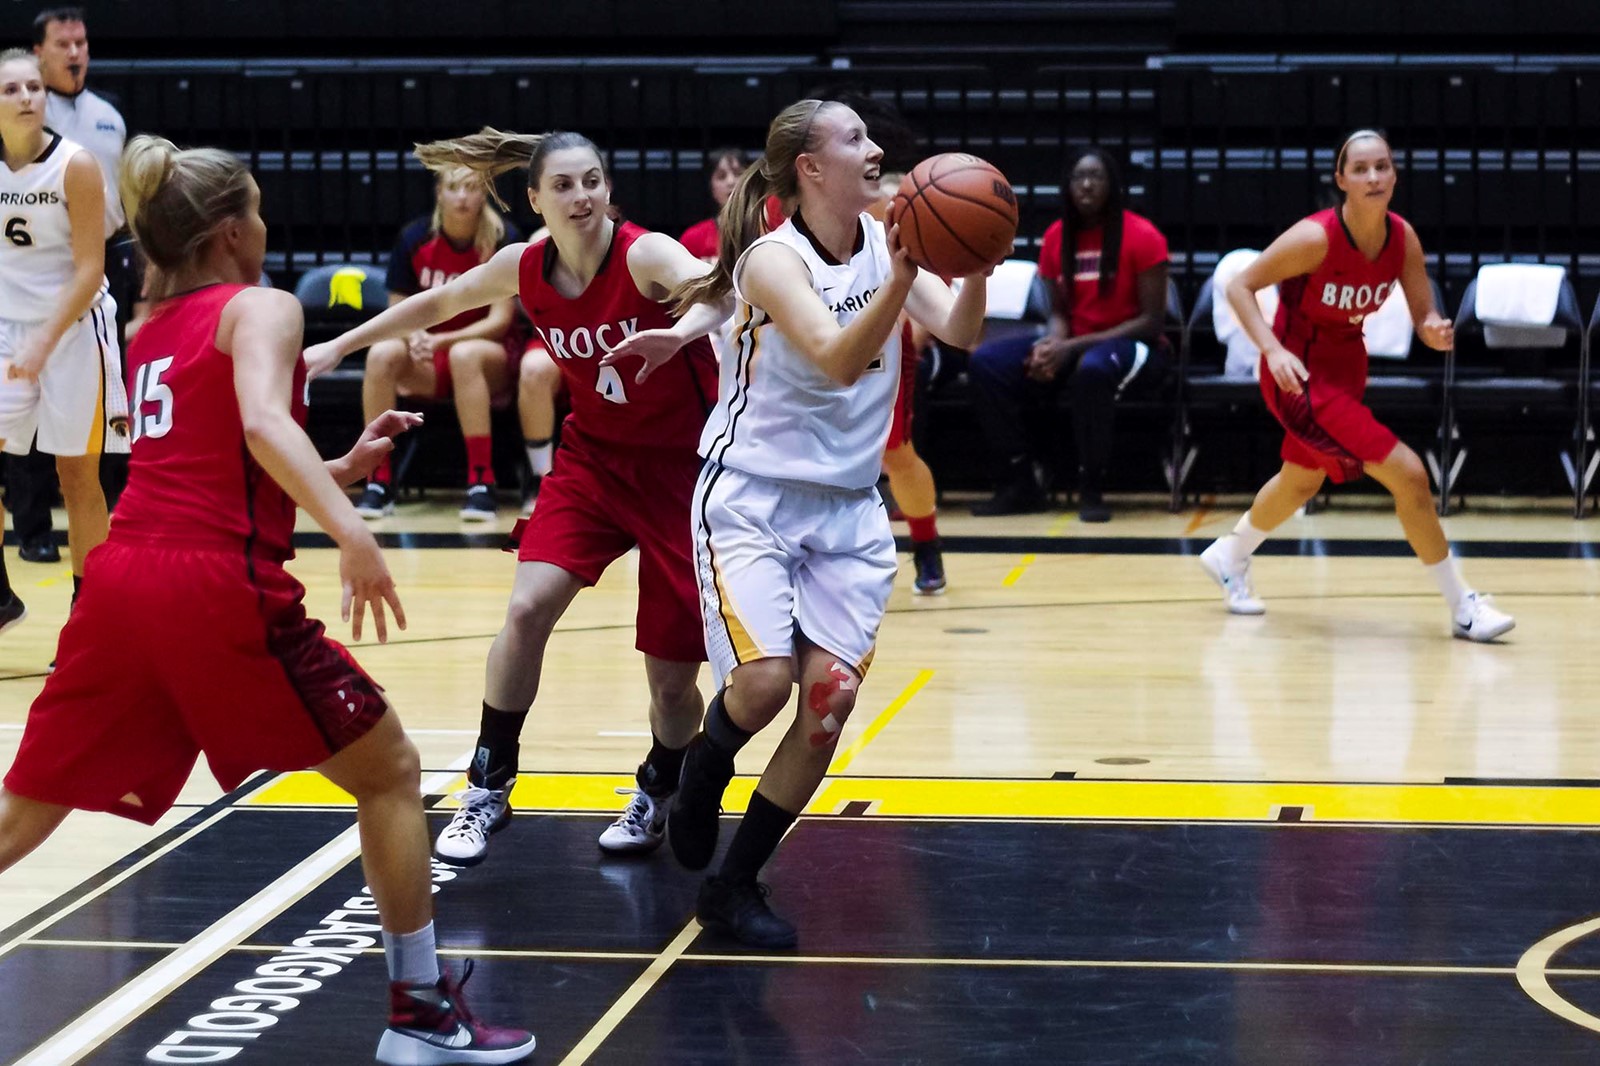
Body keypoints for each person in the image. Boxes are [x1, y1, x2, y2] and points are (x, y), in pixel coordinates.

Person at [0, 135, 534, 1063]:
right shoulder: (264, 306)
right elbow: (256, 420)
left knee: (28, 809)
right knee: (392, 772)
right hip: (213, 587)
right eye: (256, 207)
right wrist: (354, 528)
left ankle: (422, 1007)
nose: (268, 222)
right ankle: (420, 1013)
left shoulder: (151, 323)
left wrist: (335, 469)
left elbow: (213, 460)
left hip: (125, 580)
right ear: (229, 230)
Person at [608, 99, 987, 948]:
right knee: (764, 683)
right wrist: (900, 274)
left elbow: (960, 329)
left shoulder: (892, 241)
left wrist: (980, 255)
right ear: (811, 168)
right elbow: (841, 359)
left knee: (829, 700)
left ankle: (733, 886)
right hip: (751, 498)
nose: (877, 148)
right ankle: (704, 769)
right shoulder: (772, 262)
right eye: (856, 138)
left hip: (850, 509)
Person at [305, 128, 725, 867]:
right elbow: (431, 309)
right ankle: (489, 784)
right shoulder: (523, 265)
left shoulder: (645, 253)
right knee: (527, 607)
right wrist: (338, 347)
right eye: (563, 185)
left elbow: (717, 291)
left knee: (670, 679)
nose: (582, 196)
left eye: (592, 180)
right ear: (534, 199)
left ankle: (660, 785)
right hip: (592, 464)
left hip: (680, 472)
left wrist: (680, 333)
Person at [1199, 129, 1515, 643]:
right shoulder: (1314, 238)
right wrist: (1271, 350)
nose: (1374, 177)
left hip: (1347, 366)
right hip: (1297, 374)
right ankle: (1463, 606)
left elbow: (1423, 312)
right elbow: (1239, 285)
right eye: (1362, 169)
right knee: (1410, 475)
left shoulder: (1401, 237)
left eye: (1383, 167)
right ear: (1340, 179)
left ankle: (1230, 555)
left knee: (1302, 478)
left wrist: (1433, 329)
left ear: (1394, 174)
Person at [968, 145, 1171, 521]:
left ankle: (1091, 487)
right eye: (1079, 176)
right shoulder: (1057, 236)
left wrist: (1068, 347)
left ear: (1113, 185)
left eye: (1097, 176)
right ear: (1067, 185)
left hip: (1136, 346)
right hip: (1076, 342)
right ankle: (1020, 481)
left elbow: (1151, 322)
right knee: (987, 362)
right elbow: (1058, 311)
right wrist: (1051, 345)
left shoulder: (1143, 236)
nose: (1087, 184)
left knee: (1091, 370)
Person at [0, 49, 125, 640]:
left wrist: (42, 343)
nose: (27, 97)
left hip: (74, 333)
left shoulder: (75, 165)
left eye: (34, 87)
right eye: (12, 89)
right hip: (8, 333)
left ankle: (91, 620)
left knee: (77, 475)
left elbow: (88, 268)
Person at [353, 165, 527, 521]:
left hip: (487, 356)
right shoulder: (414, 237)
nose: (462, 197)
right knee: (381, 353)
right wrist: (415, 336)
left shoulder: (503, 237)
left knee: (465, 355)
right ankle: (378, 479)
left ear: (484, 195)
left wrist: (441, 339)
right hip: (430, 358)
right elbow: (396, 310)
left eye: (471, 187)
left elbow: (499, 320)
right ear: (439, 193)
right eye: (453, 187)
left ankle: (482, 482)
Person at [679, 147, 746, 261]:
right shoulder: (693, 239)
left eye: (737, 174)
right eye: (721, 176)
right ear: (711, 187)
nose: (731, 182)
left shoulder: (767, 232)